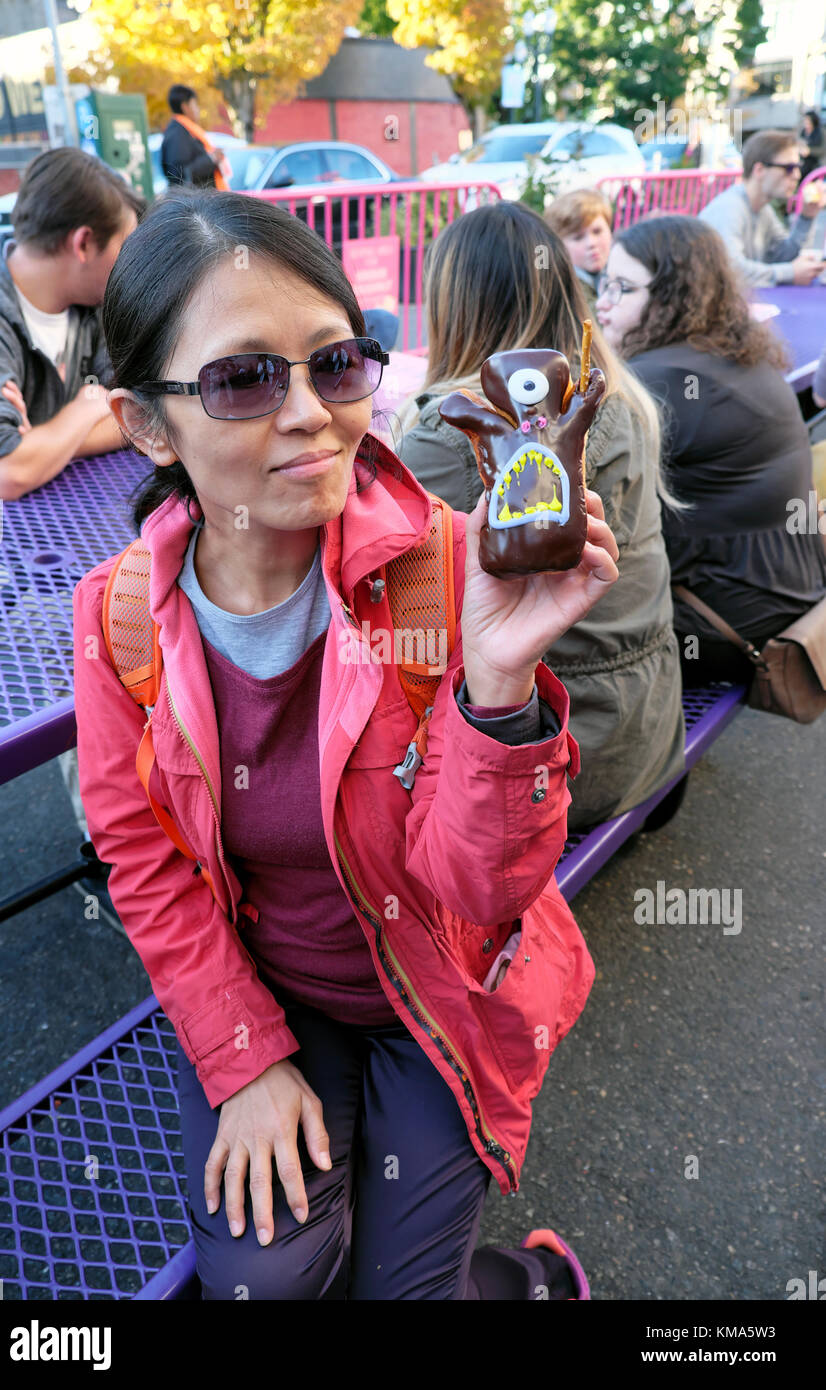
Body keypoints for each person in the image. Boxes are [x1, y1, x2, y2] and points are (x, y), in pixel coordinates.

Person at [72, 189, 621, 1301]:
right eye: (241, 378)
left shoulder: (444, 571)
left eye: (333, 362)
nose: (310, 413)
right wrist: (243, 1054)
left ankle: (532, 1280)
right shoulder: (118, 616)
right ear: (143, 421)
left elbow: (477, 892)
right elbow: (144, 862)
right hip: (277, 992)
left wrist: (499, 689)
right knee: (265, 1287)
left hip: (436, 997)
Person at [397, 201, 686, 832]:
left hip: (563, 756)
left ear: (453, 307)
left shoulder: (453, 435)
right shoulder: (622, 398)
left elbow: (382, 592)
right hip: (650, 726)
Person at [596, 214, 826, 685]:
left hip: (732, 618)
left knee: (546, 623)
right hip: (787, 584)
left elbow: (590, 495)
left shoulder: (661, 380)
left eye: (623, 287)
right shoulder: (732, 349)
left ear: (670, 298)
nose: (603, 303)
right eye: (604, 283)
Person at [0, 147, 143, 499]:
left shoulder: (92, 301)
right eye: (125, 245)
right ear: (84, 243)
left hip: (60, 514)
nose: (130, 263)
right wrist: (87, 405)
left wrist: (38, 443)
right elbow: (5, 473)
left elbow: (139, 416)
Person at [698, 128, 825, 287]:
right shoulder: (729, 208)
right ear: (759, 170)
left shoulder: (763, 209)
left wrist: (807, 216)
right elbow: (731, 270)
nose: (797, 175)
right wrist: (790, 272)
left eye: (798, 167)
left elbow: (785, 256)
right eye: (789, 168)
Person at [544, 188, 614, 314]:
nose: (591, 243)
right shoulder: (561, 290)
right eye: (578, 238)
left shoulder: (627, 269)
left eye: (597, 231)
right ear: (559, 246)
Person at [160, 84, 230, 189]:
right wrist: (211, 159)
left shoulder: (185, 130)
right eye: (195, 104)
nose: (198, 109)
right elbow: (179, 174)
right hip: (194, 201)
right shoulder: (178, 134)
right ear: (185, 107)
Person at [799, 109, 825, 183]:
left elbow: (822, 150)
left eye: (808, 120)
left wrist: (809, 151)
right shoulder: (803, 131)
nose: (806, 123)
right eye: (805, 120)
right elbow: (800, 143)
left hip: (817, 164)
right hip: (805, 164)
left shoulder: (821, 132)